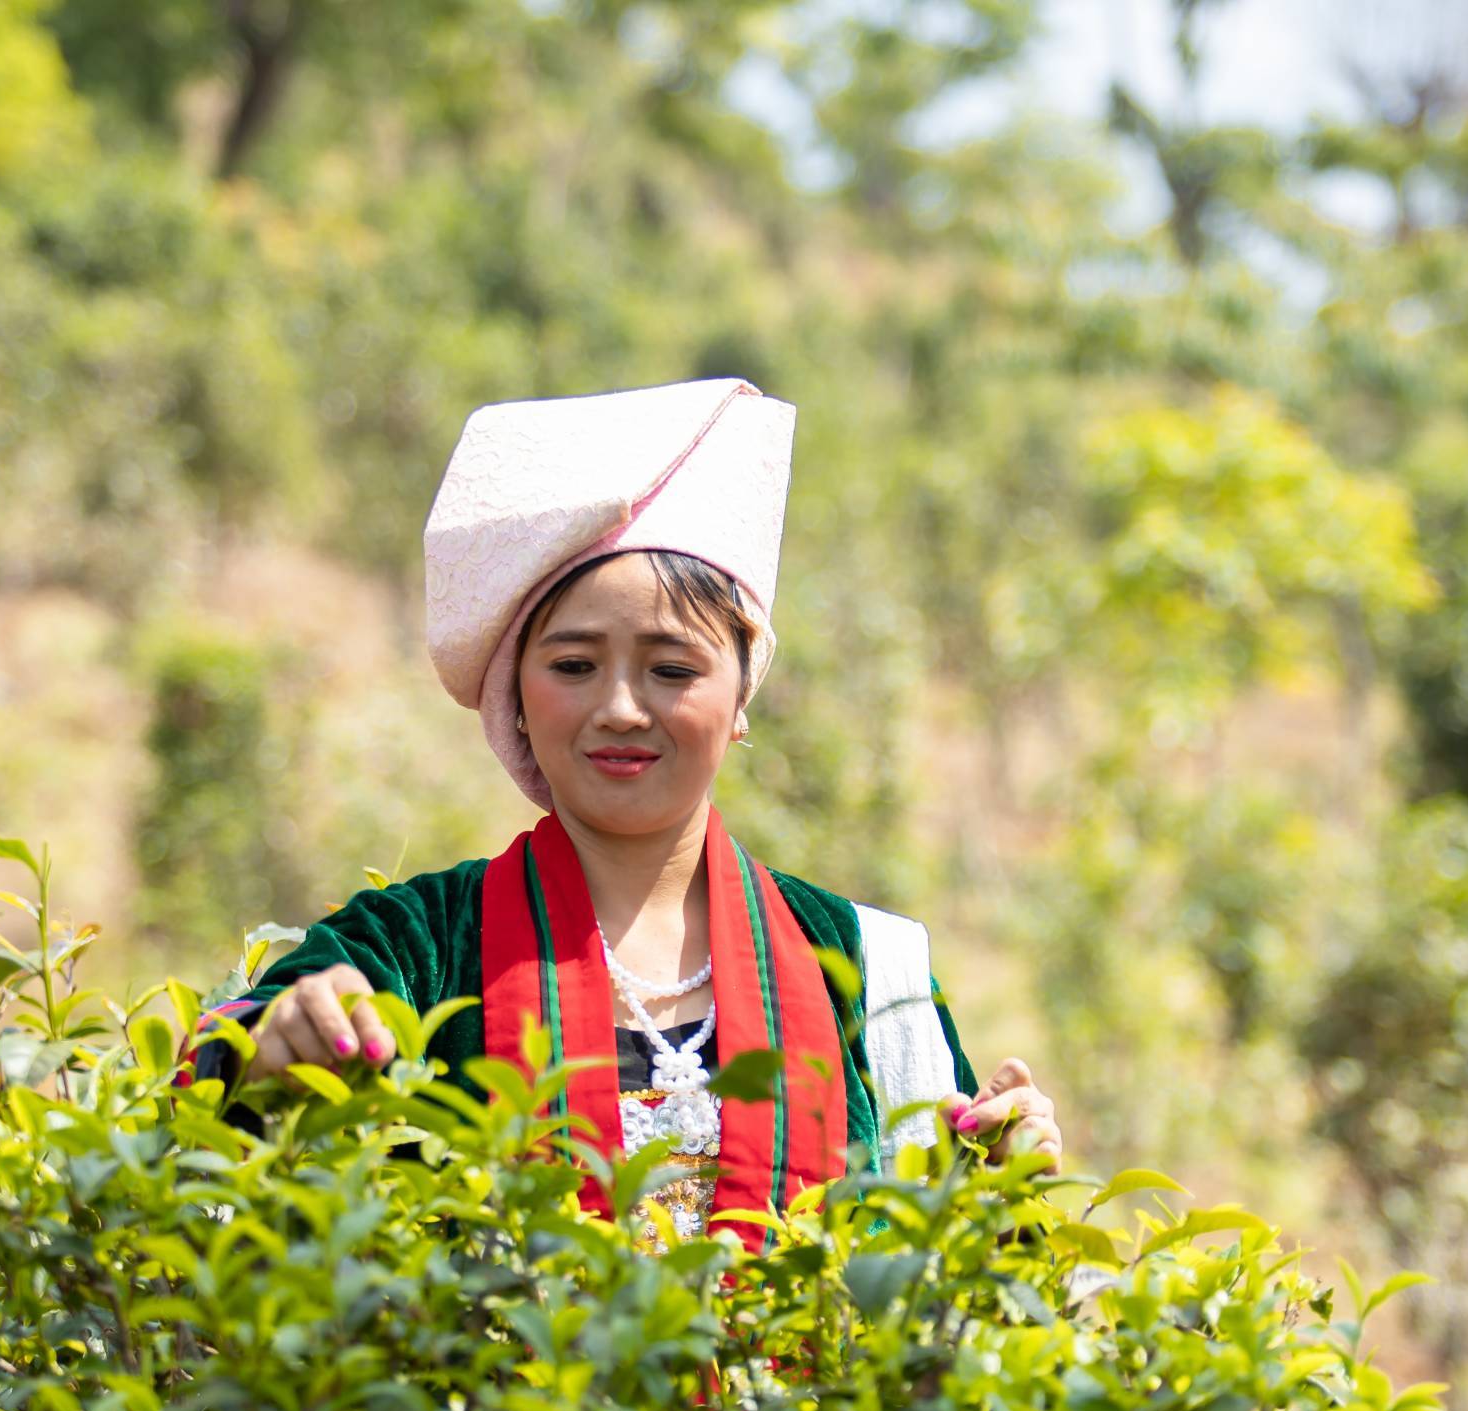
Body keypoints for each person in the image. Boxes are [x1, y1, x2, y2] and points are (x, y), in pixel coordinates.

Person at [184, 377, 1062, 1249]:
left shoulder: (865, 964)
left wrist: (999, 1179)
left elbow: (951, 1293)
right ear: (515, 696)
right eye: (572, 666)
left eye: (672, 670)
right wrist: (282, 1042)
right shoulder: (414, 943)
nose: (621, 709)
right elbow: (206, 1116)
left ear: (742, 693)